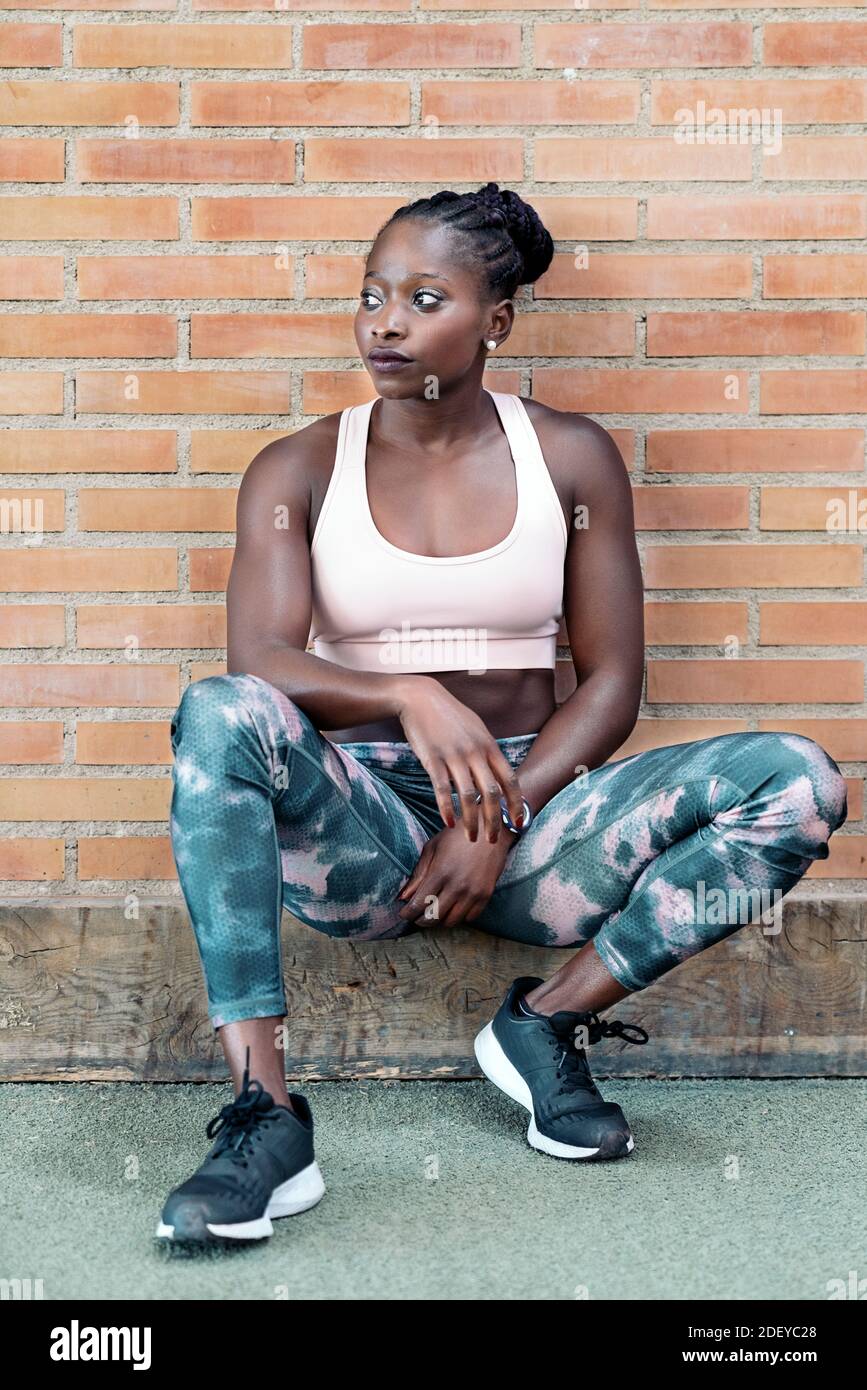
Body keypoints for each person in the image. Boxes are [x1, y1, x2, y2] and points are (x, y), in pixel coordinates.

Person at [156, 183, 848, 1244]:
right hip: (364, 831)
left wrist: (500, 816)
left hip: (538, 826)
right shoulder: (298, 469)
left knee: (800, 782)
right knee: (218, 713)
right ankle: (265, 1112)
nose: (385, 322)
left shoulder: (569, 457)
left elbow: (613, 682)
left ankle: (545, 1024)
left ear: (497, 320)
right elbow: (259, 662)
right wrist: (403, 691)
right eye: (371, 295)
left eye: (424, 298)